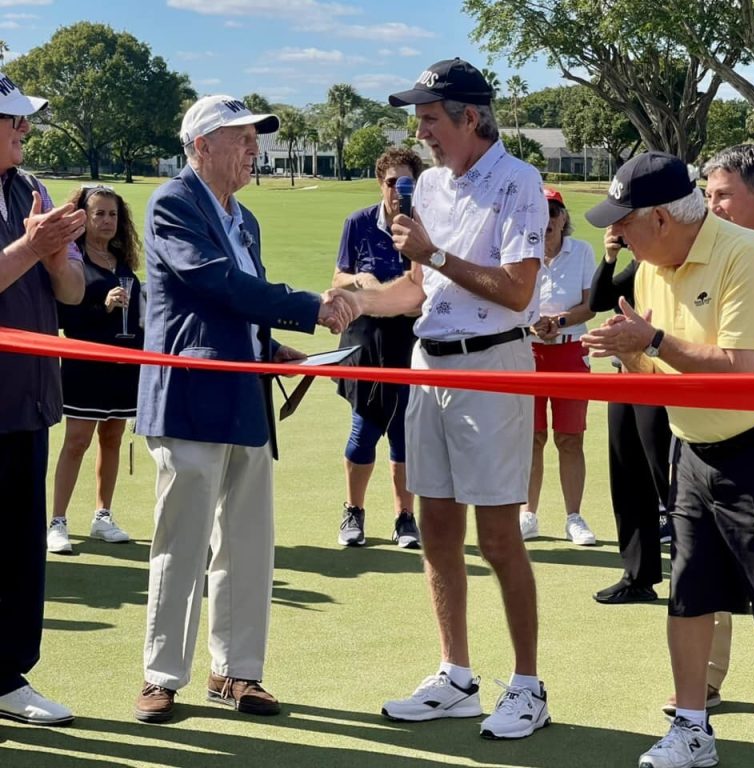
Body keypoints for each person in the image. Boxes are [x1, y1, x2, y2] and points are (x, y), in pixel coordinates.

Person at [343, 58, 550, 740]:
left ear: (469, 117)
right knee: (436, 528)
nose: (423, 131)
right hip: (428, 364)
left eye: (432, 118)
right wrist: (354, 303)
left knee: (497, 535)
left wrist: (432, 257)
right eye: (421, 119)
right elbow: (416, 290)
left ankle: (527, 685)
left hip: (493, 368)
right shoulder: (429, 184)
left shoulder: (519, 181)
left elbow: (518, 291)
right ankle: (457, 676)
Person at [134, 95, 356, 724]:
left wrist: (283, 350)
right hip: (190, 399)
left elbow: (239, 312)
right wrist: (308, 305)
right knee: (183, 542)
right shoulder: (172, 202)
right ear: (201, 145)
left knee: (248, 542)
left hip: (244, 400)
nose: (254, 149)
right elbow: (215, 284)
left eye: (255, 138)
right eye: (242, 138)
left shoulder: (246, 219)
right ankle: (161, 676)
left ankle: (237, 672)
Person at [582, 151, 754, 768]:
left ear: (660, 218)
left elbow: (739, 374)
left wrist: (653, 341)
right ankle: (692, 728)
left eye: (625, 221)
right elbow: (661, 378)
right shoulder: (646, 269)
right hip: (692, 450)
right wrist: (628, 358)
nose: (615, 233)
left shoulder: (748, 254)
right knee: (688, 592)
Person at [655, 142, 754, 716]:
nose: (711, 204)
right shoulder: (697, 254)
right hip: (701, 436)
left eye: (723, 194)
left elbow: (739, 363)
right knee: (698, 577)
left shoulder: (753, 258)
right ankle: (706, 687)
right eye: (707, 193)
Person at [0, 75, 86, 725]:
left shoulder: (31, 189)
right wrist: (33, 246)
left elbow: (73, 294)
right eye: (13, 121)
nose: (24, 129)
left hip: (29, 397)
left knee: (19, 550)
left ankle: (7, 677)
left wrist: (55, 256)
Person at [332, 147, 422, 548]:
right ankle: (354, 512)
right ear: (379, 183)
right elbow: (337, 278)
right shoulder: (358, 223)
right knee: (363, 430)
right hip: (366, 340)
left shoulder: (423, 224)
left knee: (405, 432)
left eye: (407, 184)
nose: (398, 192)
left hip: (411, 340)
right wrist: (361, 281)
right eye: (392, 183)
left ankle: (405, 518)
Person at [47, 186, 144, 555]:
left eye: (113, 215)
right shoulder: (73, 261)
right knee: (77, 442)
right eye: (99, 213)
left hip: (124, 366)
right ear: (82, 217)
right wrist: (101, 307)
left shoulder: (123, 265)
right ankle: (57, 521)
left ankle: (102, 516)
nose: (106, 221)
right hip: (84, 367)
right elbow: (65, 319)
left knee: (112, 439)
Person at [589, 244, 672, 605]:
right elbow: (600, 297)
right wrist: (609, 258)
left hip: (664, 381)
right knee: (627, 473)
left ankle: (696, 576)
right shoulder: (644, 262)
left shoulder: (676, 262)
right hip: (627, 376)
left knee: (669, 482)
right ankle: (638, 575)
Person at [519, 187, 596, 546]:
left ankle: (574, 518)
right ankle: (528, 514)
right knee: (532, 439)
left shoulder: (581, 252)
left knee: (570, 438)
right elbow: (512, 302)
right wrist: (533, 321)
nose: (546, 221)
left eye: (553, 213)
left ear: (563, 217)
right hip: (529, 353)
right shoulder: (520, 252)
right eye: (540, 212)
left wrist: (559, 322)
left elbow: (590, 305)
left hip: (569, 351)